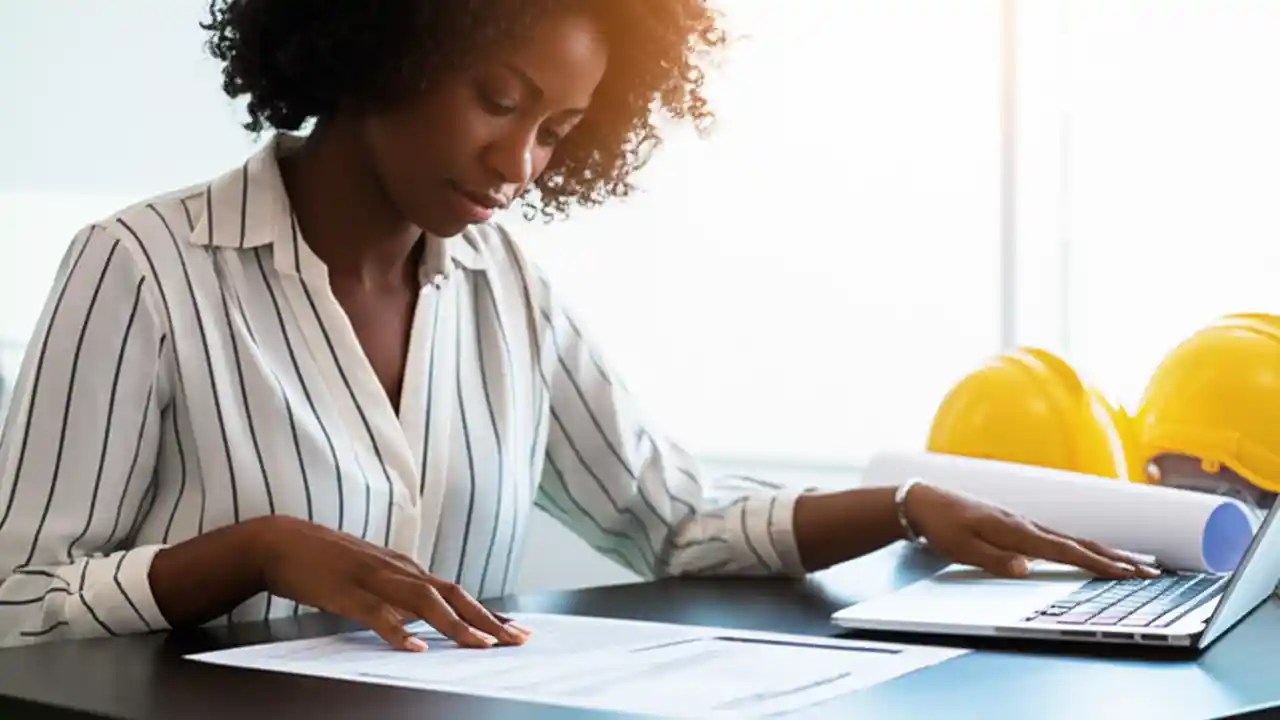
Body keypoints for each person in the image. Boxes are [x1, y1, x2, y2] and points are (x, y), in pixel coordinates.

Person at [0, 0, 1157, 651]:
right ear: (379, 46)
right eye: (496, 102)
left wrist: (905, 507)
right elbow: (16, 604)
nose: (519, 164)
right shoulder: (144, 268)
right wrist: (246, 553)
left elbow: (671, 522)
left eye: (556, 129)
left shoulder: (503, 283)